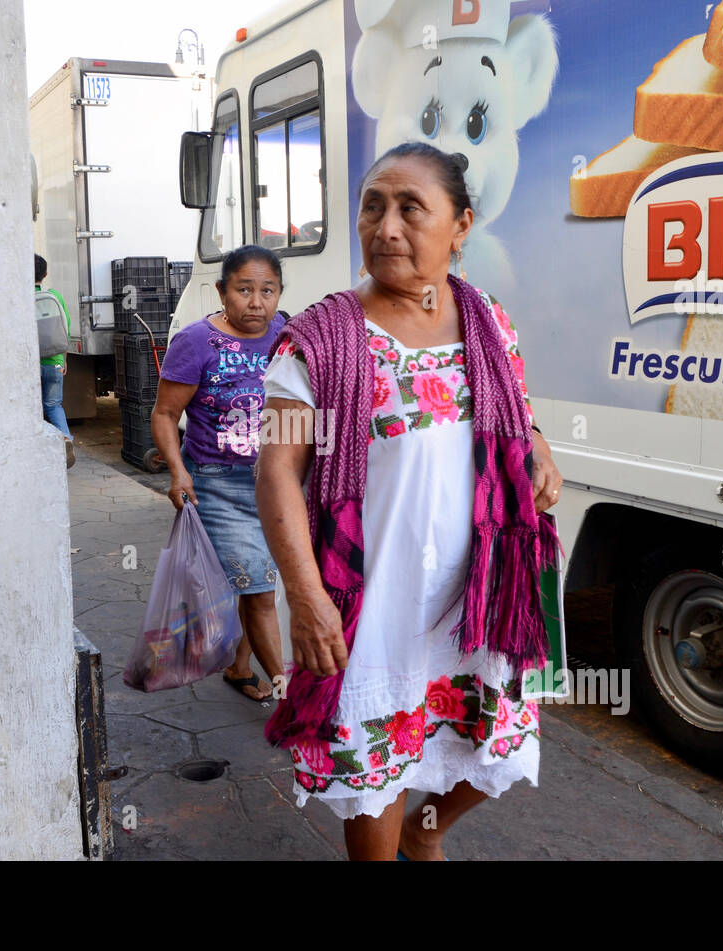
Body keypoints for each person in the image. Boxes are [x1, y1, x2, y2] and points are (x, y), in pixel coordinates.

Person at [255, 142, 564, 860]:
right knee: (377, 760)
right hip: (373, 599)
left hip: (480, 596)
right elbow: (275, 471)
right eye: (373, 206)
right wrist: (305, 594)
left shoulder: (489, 320)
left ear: (461, 225)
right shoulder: (316, 343)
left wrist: (541, 443)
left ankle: (426, 836)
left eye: (409, 208)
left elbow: (516, 409)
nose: (386, 227)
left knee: (492, 734)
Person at [151, 246, 287, 702]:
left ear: (279, 293)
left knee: (257, 579)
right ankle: (290, 696)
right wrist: (178, 473)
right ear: (222, 291)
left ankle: (239, 667)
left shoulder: (287, 332)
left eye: (266, 290)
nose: (256, 302)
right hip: (218, 484)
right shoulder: (196, 342)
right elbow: (166, 414)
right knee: (261, 591)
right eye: (244, 290)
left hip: (276, 483)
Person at [35, 253, 75, 469]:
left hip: (30, 364)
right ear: (46, 274)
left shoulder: (20, 296)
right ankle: (65, 439)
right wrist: (64, 358)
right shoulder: (55, 296)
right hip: (55, 361)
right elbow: (65, 330)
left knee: (31, 408)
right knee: (53, 405)